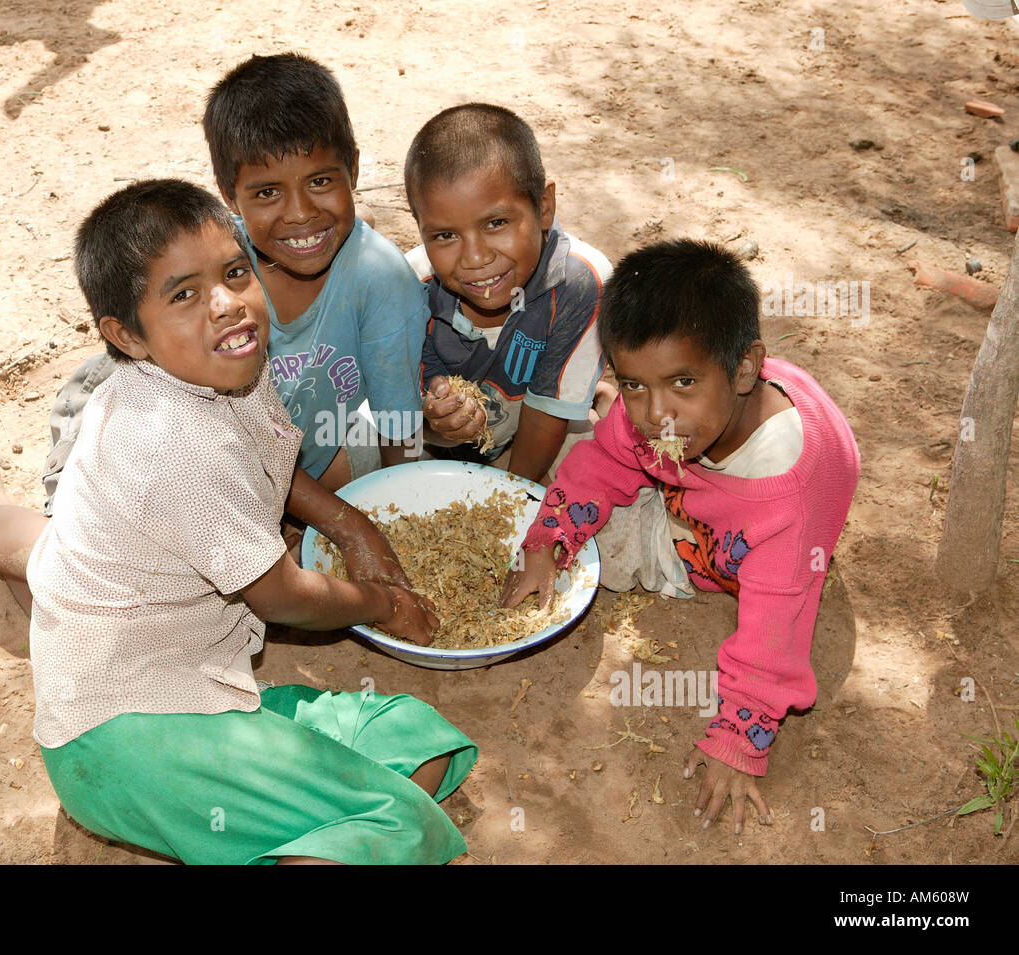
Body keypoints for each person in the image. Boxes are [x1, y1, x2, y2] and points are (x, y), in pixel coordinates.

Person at [0, 180, 476, 865]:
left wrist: (355, 526)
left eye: (235, 272)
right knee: (400, 824)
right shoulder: (177, 445)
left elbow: (269, 457)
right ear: (124, 335)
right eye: (184, 294)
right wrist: (383, 602)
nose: (227, 304)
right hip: (129, 737)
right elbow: (283, 595)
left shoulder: (227, 364)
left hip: (187, 670)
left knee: (418, 739)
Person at [501, 238, 859, 835]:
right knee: (592, 462)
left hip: (729, 539)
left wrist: (739, 744)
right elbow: (603, 461)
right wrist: (548, 540)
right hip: (704, 466)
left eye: (681, 382)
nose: (655, 414)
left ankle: (664, 506)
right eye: (634, 383)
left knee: (610, 550)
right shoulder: (675, 417)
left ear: (746, 369)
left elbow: (773, 641)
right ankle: (635, 415)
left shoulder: (784, 503)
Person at [42, 52, 428, 513]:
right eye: (267, 192)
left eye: (321, 180)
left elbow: (398, 426)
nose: (300, 213)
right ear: (229, 195)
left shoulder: (382, 282)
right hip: (141, 435)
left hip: (276, 467)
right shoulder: (215, 267)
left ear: (354, 171)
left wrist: (399, 522)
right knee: (81, 562)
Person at [402, 103, 615, 485]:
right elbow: (411, 425)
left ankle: (582, 391)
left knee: (602, 489)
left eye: (496, 223)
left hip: (538, 432)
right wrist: (442, 424)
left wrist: (507, 502)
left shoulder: (579, 283)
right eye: (445, 235)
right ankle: (587, 389)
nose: (476, 257)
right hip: (440, 447)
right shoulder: (408, 286)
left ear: (544, 206)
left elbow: (546, 420)